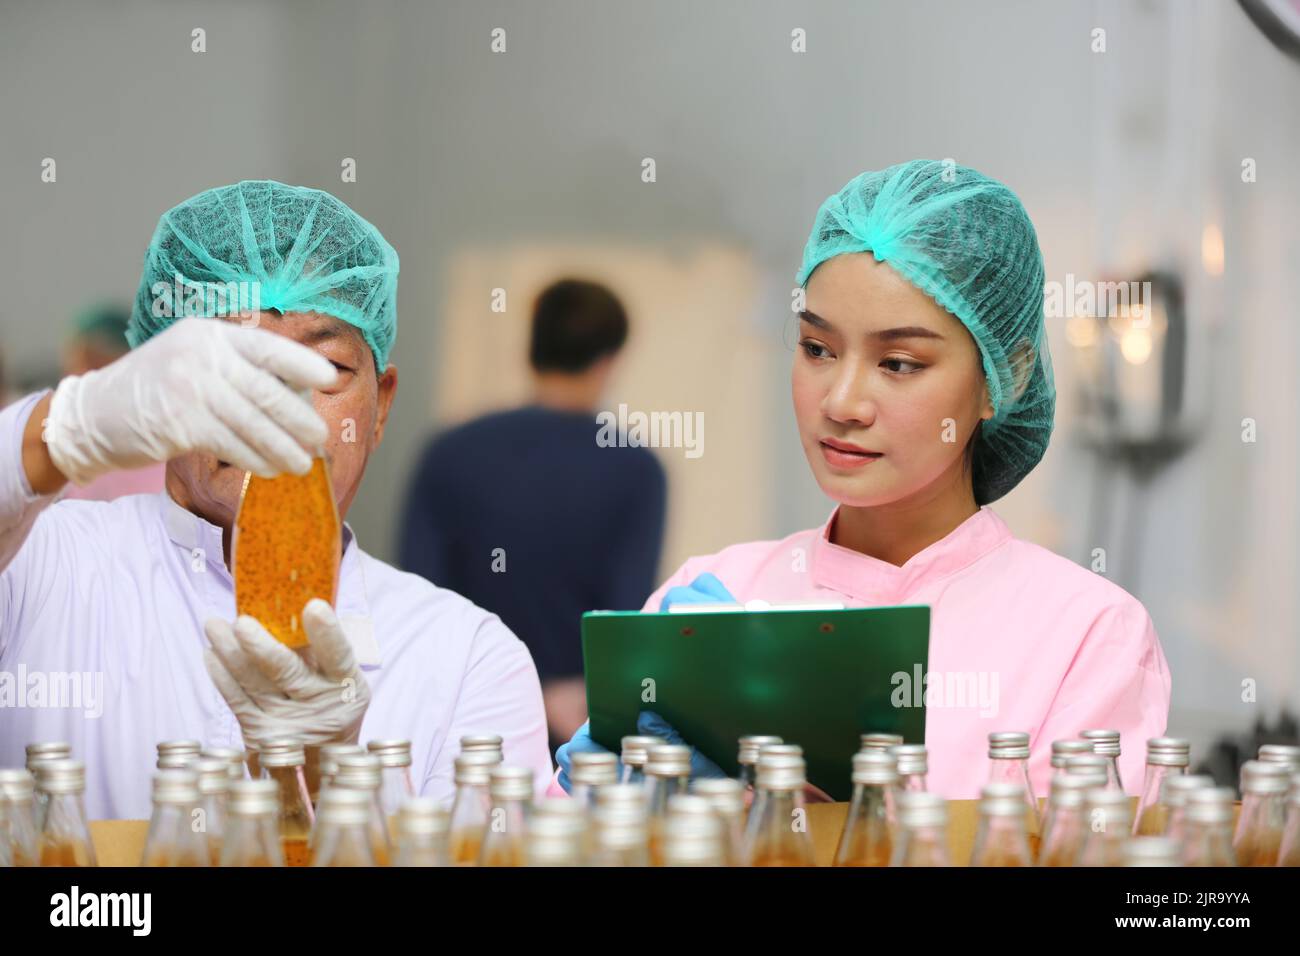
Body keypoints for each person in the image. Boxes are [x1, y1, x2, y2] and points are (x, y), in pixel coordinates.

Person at [554, 160, 1171, 799]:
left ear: (1001, 379)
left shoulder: (1084, 635)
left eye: (898, 363)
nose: (842, 402)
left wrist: (812, 808)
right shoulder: (715, 598)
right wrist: (614, 818)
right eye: (817, 348)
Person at [0, 180, 551, 818]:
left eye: (327, 370)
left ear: (381, 408)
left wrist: (327, 786)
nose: (279, 407)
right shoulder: (38, 571)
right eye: (238, 363)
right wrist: (70, 427)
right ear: (159, 380)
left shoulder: (467, 661)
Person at [400, 279, 666, 753]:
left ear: (533, 347)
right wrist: (556, 692)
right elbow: (625, 618)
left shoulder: (450, 451)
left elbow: (421, 595)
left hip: (460, 722)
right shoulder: (635, 468)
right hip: (576, 735)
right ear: (609, 360)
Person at [58, 302, 166, 502]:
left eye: (95, 362)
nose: (78, 377)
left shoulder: (176, 458)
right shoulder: (70, 457)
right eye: (73, 365)